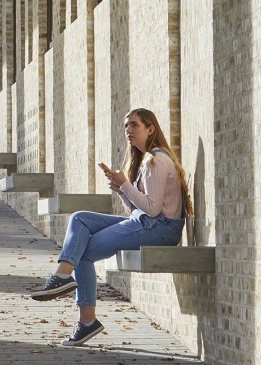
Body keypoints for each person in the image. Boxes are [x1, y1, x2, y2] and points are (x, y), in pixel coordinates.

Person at [29, 107, 193, 347]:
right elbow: (138, 208)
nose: (128, 130)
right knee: (80, 218)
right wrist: (121, 190)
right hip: (147, 222)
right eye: (126, 126)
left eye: (135, 125)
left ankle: (84, 316)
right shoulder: (147, 160)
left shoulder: (155, 160)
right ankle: (63, 276)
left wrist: (125, 185)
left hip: (160, 228)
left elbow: (152, 209)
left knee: (83, 253)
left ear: (150, 129)